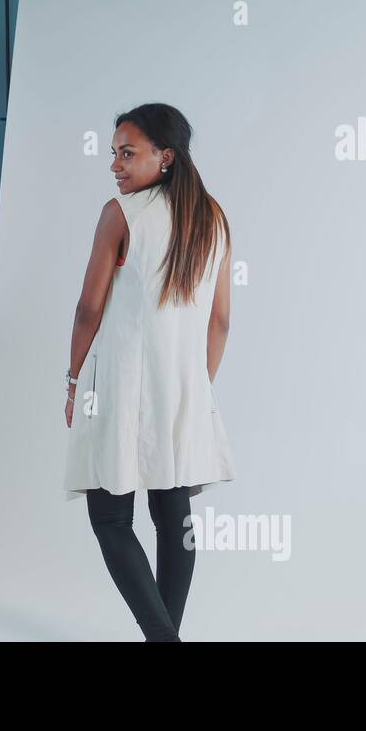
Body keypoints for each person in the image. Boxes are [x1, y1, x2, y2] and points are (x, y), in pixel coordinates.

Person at [63, 103, 235, 642]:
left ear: (166, 156)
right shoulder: (214, 217)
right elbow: (222, 320)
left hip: (119, 385)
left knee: (111, 520)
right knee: (172, 517)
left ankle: (162, 638)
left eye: (127, 153)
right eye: (114, 153)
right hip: (183, 389)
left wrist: (72, 381)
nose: (115, 164)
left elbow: (89, 309)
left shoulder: (122, 214)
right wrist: (196, 383)